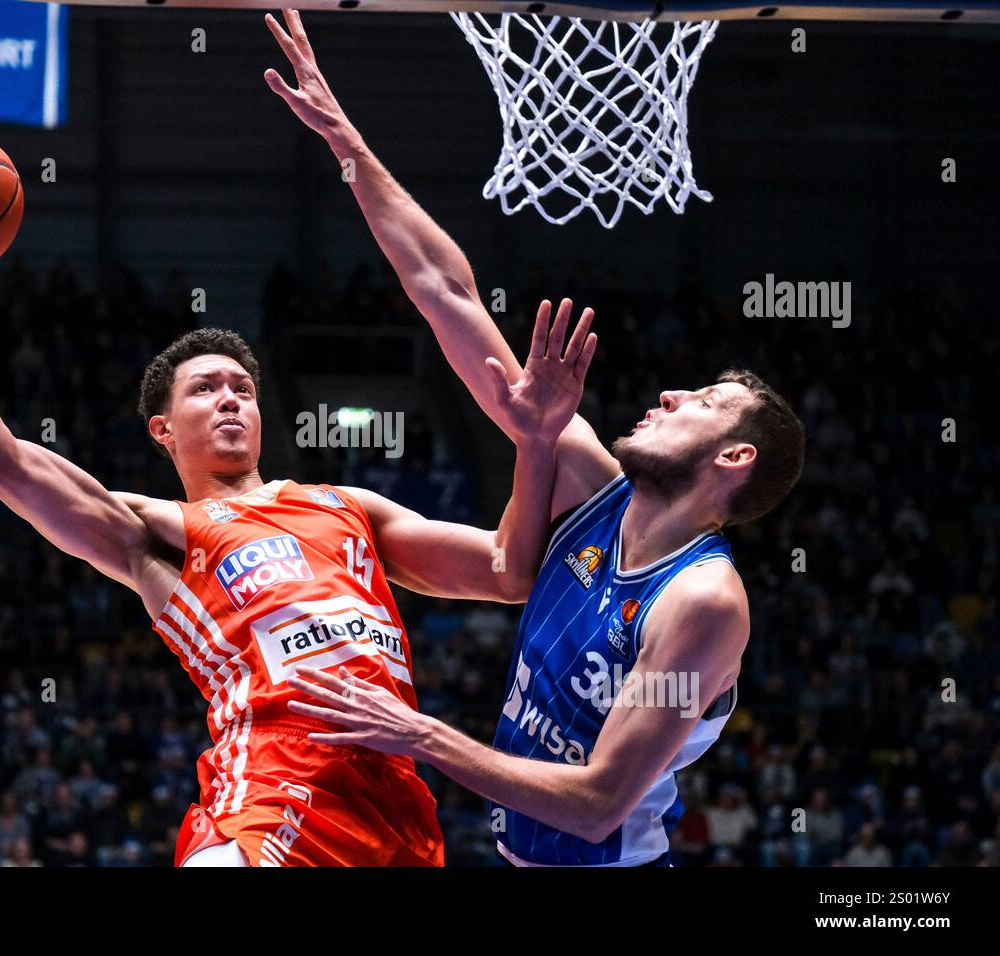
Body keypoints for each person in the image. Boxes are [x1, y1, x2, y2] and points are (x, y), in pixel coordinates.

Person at [0, 158, 595, 866]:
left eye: (241, 386)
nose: (232, 397)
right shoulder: (158, 533)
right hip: (269, 794)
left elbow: (510, 570)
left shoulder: (347, 508)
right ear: (163, 430)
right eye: (206, 388)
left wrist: (534, 444)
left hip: (398, 808)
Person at [266, 8, 804, 866]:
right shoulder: (593, 485)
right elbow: (449, 292)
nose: (670, 391)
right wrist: (348, 147)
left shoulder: (701, 603)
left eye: (702, 400)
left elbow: (597, 804)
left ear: (732, 459)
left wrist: (423, 736)